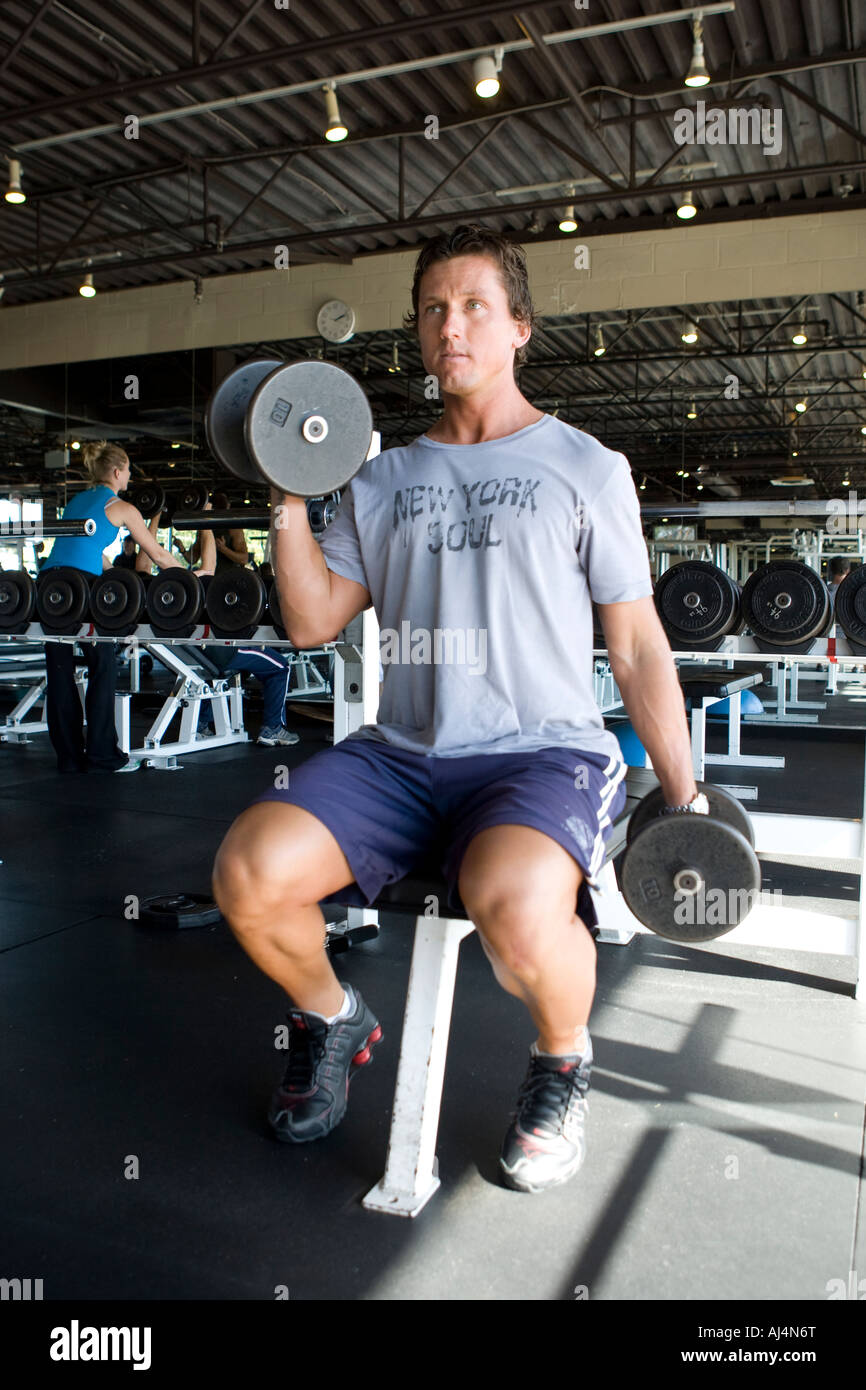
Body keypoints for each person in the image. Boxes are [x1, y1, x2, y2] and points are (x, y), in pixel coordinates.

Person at [212, 225, 705, 1194]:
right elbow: (312, 621)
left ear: (518, 326)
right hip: (401, 757)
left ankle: (562, 1057)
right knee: (248, 872)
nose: (451, 326)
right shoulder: (380, 478)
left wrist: (683, 800)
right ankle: (328, 1013)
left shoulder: (585, 466)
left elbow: (638, 643)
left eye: (474, 305)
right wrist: (286, 492)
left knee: (519, 912)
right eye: (434, 309)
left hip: (539, 755)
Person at [40, 443, 185, 773]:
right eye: (129, 470)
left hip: (50, 585)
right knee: (102, 664)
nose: (131, 476)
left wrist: (118, 577)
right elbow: (159, 557)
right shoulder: (120, 507)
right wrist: (191, 583)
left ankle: (69, 758)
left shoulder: (77, 500)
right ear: (117, 472)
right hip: (80, 588)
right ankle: (103, 755)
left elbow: (86, 551)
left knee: (59, 672)